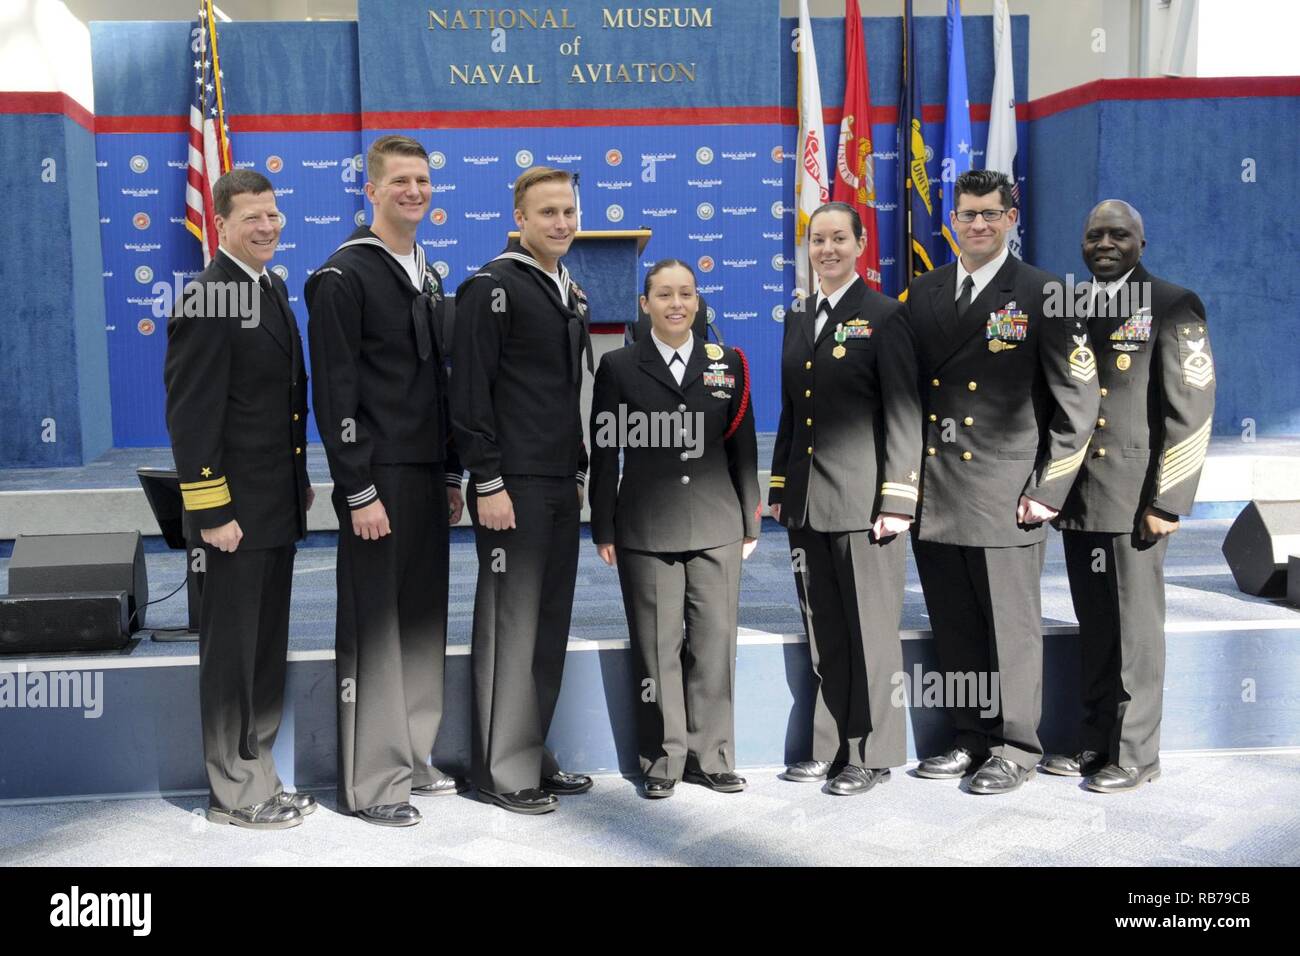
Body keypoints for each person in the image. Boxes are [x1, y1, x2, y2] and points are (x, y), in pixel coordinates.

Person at [904, 169, 1099, 795]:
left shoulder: (1043, 293)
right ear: (952, 222)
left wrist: (1049, 488)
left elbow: (1079, 403)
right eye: (967, 214)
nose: (978, 225)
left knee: (1009, 627)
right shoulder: (926, 291)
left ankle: (1015, 744)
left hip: (1007, 492)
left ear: (1011, 220)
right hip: (938, 488)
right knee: (955, 622)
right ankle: (970, 736)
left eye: (990, 214)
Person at [305, 135, 463, 828]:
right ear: (370, 191)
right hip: (378, 477)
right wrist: (357, 489)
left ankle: (414, 755)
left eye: (423, 180)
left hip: (429, 473)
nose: (414, 191)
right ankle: (374, 782)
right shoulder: (344, 275)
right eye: (400, 180)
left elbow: (439, 383)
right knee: (376, 629)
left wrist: (453, 471)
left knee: (424, 623)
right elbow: (336, 395)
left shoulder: (424, 271)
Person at [1045, 200, 1215, 793]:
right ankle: (1094, 741)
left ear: (1142, 243)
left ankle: (1137, 754)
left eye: (1119, 234)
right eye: (1094, 235)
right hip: (1081, 496)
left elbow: (1191, 408)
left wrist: (1169, 499)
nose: (1105, 243)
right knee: (1096, 624)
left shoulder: (1173, 304)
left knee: (1136, 631)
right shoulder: (1070, 305)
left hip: (1137, 498)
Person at [163, 168, 314, 829]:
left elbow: (279, 403)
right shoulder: (209, 297)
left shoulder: (271, 287)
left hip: (275, 506)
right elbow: (192, 417)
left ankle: (261, 774)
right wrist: (212, 509)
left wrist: (299, 479)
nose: (268, 227)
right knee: (231, 655)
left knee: (262, 650)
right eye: (253, 217)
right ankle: (234, 791)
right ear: (220, 223)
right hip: (233, 516)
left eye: (274, 215)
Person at [451, 166, 594, 815]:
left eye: (568, 211)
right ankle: (500, 771)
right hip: (513, 486)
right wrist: (488, 479)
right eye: (547, 213)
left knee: (546, 628)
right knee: (511, 628)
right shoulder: (492, 287)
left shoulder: (567, 289)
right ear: (520, 218)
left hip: (559, 481)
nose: (560, 222)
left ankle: (530, 749)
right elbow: (470, 392)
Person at [589, 259, 760, 799]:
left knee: (714, 642)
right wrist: (603, 526)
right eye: (664, 294)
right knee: (656, 647)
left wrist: (749, 515)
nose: (677, 304)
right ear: (645, 304)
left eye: (686, 293)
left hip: (717, 522)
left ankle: (713, 756)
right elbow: (605, 450)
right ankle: (663, 758)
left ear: (698, 300)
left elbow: (743, 447)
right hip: (645, 526)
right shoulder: (618, 366)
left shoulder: (728, 362)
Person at [768, 202, 922, 796]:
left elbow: (905, 412)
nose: (827, 249)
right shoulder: (799, 316)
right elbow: (791, 413)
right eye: (817, 239)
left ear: (861, 244)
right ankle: (829, 747)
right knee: (824, 627)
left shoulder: (885, 315)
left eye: (839, 238)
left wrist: (898, 498)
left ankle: (874, 752)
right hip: (809, 502)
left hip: (866, 505)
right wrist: (781, 487)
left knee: (871, 633)